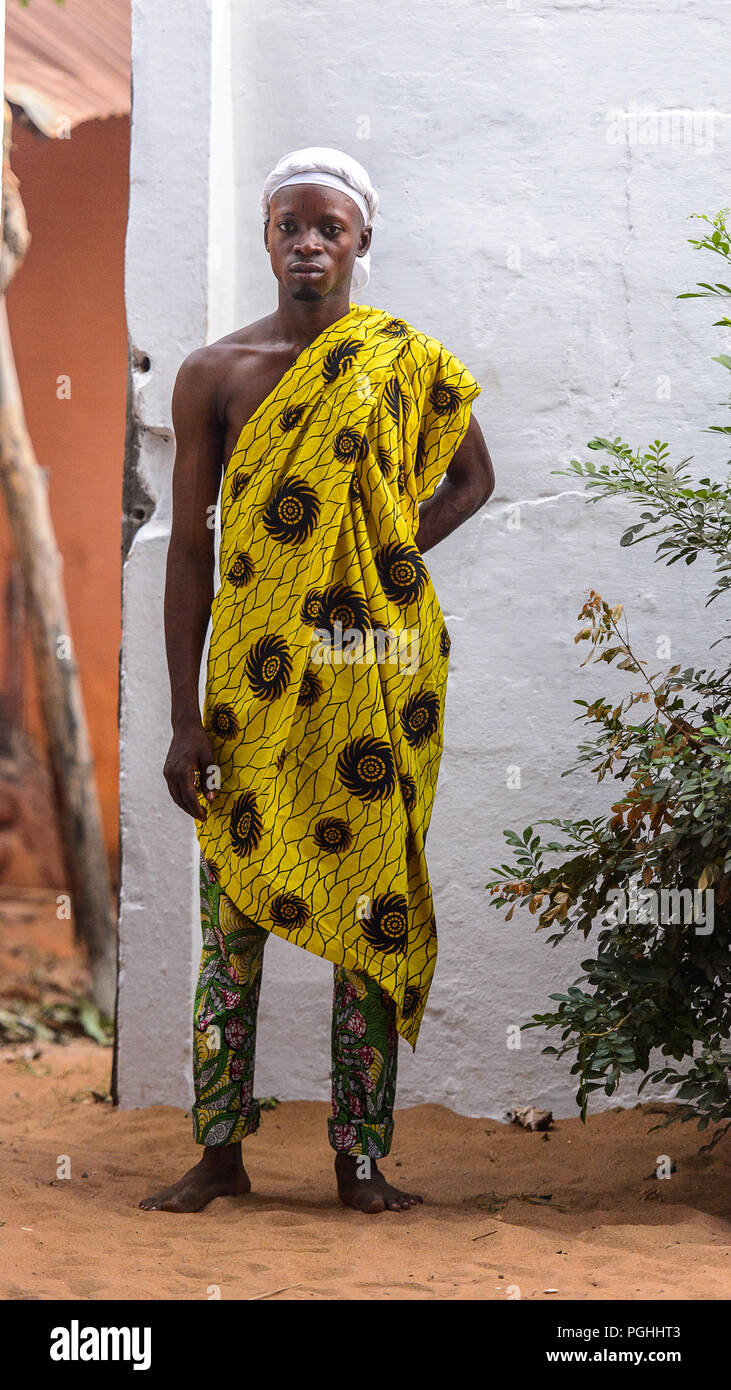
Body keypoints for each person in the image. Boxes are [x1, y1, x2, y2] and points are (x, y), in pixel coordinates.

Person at [140, 147, 494, 1216]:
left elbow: (476, 478)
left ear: (360, 241)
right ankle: (217, 1151)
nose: (308, 243)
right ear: (266, 236)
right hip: (249, 689)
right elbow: (188, 550)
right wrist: (181, 716)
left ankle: (359, 1156)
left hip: (376, 670)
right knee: (232, 917)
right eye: (289, 225)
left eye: (328, 227)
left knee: (370, 906)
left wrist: (386, 559)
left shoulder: (403, 361)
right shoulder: (216, 372)